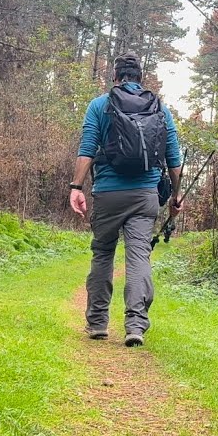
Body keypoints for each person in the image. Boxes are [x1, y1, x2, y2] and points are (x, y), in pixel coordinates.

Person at [69, 53, 182, 347]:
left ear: (116, 77)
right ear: (140, 77)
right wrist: (177, 194)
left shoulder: (99, 105)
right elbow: (174, 159)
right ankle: (135, 326)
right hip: (145, 195)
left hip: (107, 192)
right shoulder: (160, 108)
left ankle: (97, 323)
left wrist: (76, 186)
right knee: (138, 257)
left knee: (103, 253)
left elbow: (87, 149)